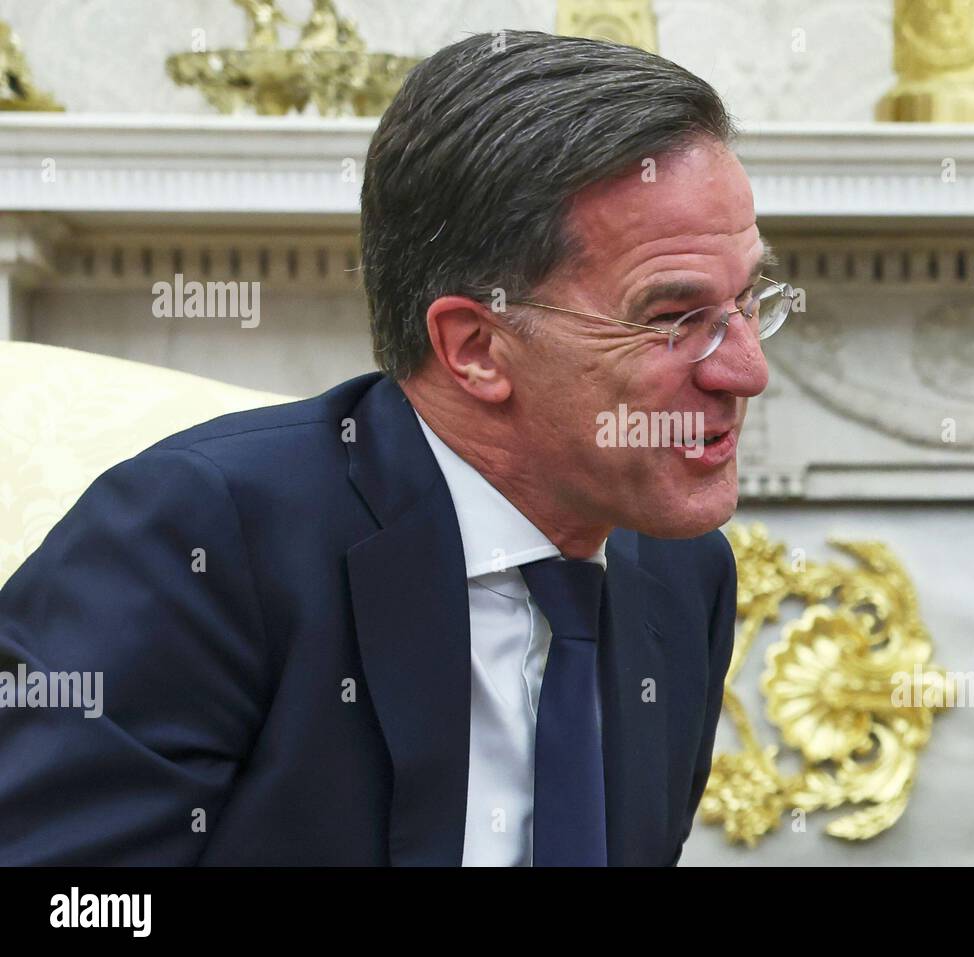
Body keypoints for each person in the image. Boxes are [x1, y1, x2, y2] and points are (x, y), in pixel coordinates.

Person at [0, 29, 792, 866]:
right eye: (674, 319)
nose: (747, 371)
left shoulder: (679, 572)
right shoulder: (197, 542)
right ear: (477, 348)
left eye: (749, 301)